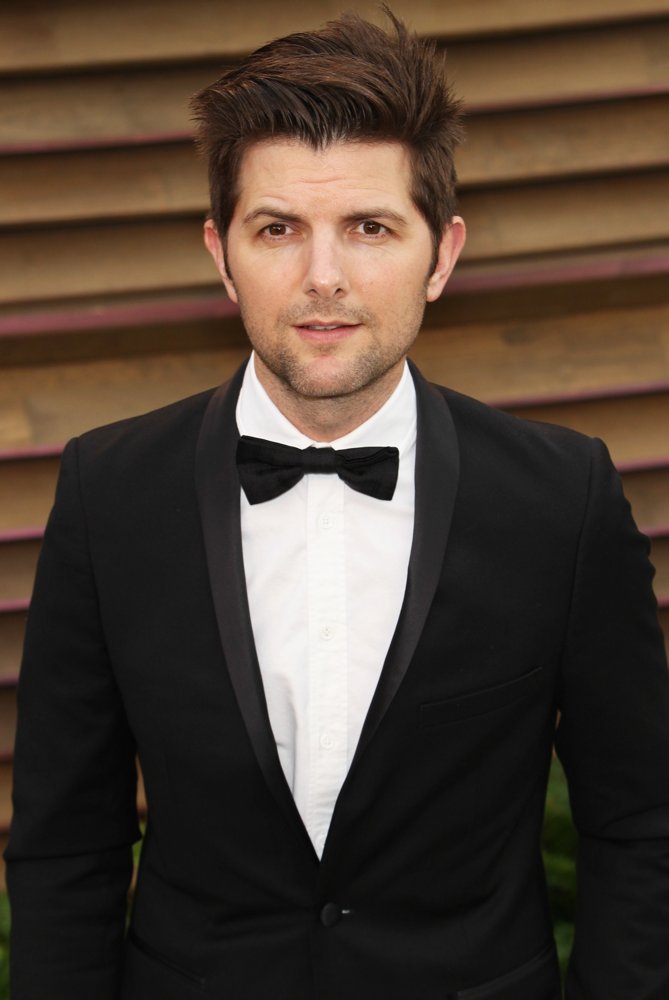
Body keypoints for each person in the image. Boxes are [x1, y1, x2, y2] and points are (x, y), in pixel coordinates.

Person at [5, 9, 669, 1000]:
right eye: (278, 229)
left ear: (440, 256)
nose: (324, 279)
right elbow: (67, 848)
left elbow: (641, 826)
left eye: (369, 228)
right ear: (220, 253)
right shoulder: (109, 493)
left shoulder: (561, 498)